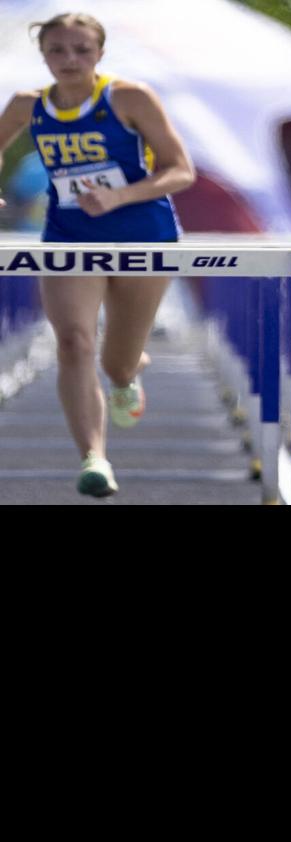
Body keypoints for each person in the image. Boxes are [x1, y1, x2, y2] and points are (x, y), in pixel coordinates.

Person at [0, 12, 196, 498]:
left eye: (81, 50)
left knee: (115, 363)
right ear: (43, 55)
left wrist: (120, 196)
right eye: (58, 50)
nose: (69, 60)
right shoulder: (27, 106)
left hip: (142, 236)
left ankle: (128, 373)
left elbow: (181, 170)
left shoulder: (129, 98)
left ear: (100, 54)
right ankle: (94, 458)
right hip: (69, 237)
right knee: (73, 343)